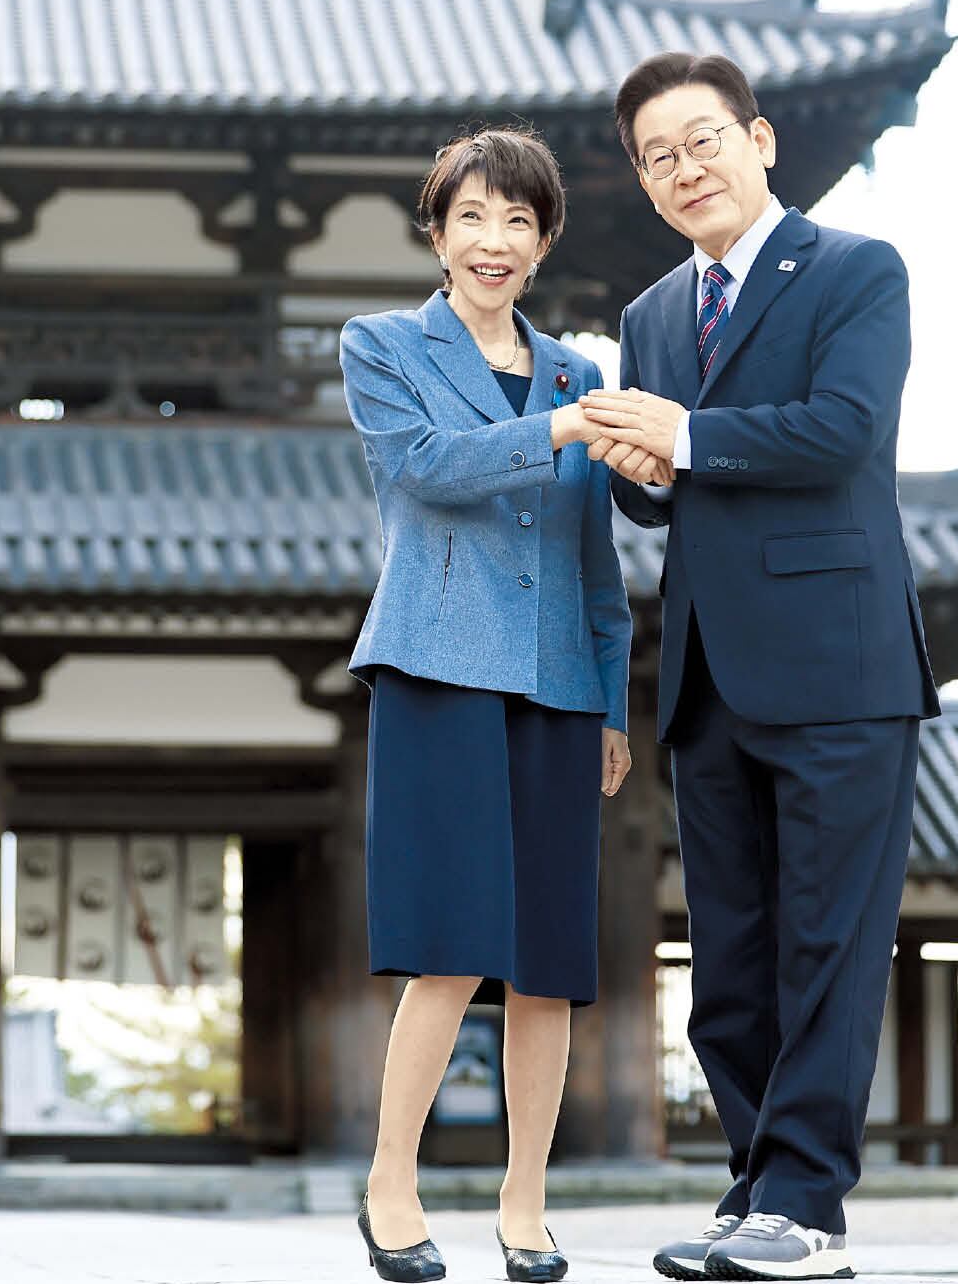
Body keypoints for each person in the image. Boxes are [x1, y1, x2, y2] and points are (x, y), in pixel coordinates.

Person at [582, 53, 938, 1282]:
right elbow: (669, 503)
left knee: (825, 943)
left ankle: (807, 1210)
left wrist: (680, 435)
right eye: (656, 157)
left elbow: (844, 429)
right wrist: (644, 472)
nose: (683, 170)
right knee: (726, 962)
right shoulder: (647, 319)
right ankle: (754, 1192)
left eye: (702, 141)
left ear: (761, 138)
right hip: (705, 676)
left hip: (840, 667)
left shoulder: (854, 271)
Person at [337, 127, 645, 1284]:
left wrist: (608, 701)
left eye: (518, 221)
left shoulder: (574, 367)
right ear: (437, 229)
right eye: (472, 216)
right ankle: (390, 1185)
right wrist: (562, 426)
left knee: (550, 960)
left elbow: (592, 558)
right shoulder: (380, 344)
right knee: (449, 950)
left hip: (559, 686)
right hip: (436, 668)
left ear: (542, 239)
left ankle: (526, 1201)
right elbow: (423, 469)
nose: (493, 241)